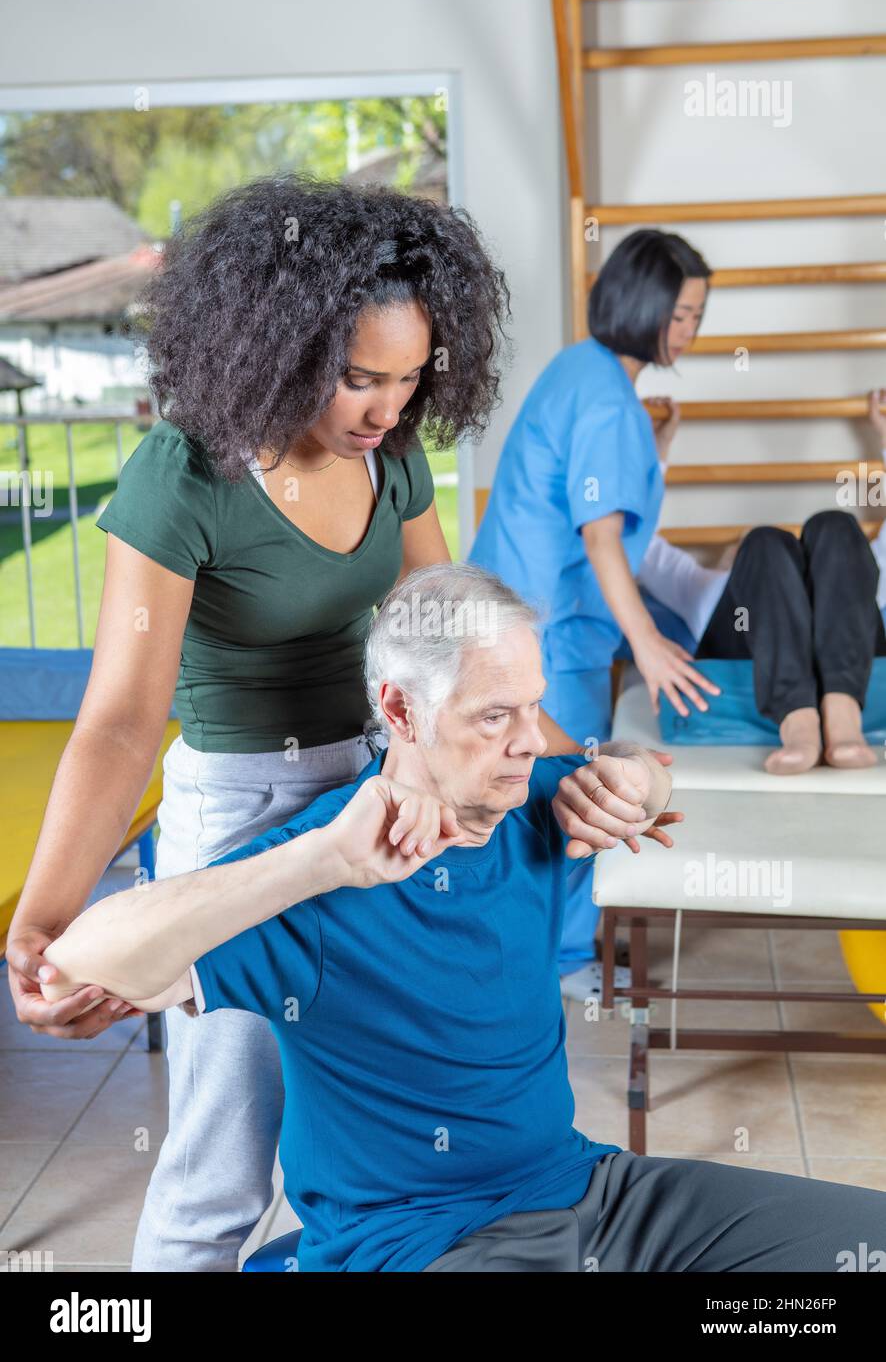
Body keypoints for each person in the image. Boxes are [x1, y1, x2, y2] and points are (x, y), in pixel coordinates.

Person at [7, 176, 668, 1271]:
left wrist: (567, 762)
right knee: (222, 1160)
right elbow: (123, 721)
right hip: (240, 812)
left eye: (410, 382)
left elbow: (454, 646)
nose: (387, 411)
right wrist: (49, 912)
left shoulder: (393, 459)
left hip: (378, 790)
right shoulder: (184, 475)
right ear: (281, 345)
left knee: (377, 1129)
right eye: (361, 379)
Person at [39, 563, 886, 1273]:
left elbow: (643, 768)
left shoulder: (538, 801)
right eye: (494, 716)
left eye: (533, 707)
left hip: (595, 1195)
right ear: (401, 710)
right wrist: (320, 862)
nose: (529, 739)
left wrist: (632, 776)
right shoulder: (310, 873)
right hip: (423, 1244)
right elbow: (79, 964)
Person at [468, 228, 721, 967]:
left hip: (521, 621)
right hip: (549, 631)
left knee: (538, 789)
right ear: (642, 307)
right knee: (577, 789)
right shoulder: (609, 401)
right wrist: (648, 647)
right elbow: (604, 537)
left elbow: (611, 509)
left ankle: (550, 951)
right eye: (680, 315)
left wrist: (658, 447)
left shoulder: (586, 372)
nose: (691, 332)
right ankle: (568, 959)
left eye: (699, 317)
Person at [637, 388, 886, 774]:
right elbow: (640, 548)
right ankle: (797, 719)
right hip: (744, 643)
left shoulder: (850, 577)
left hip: (850, 650)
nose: (788, 562)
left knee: (835, 525)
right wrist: (658, 448)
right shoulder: (705, 585)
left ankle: (842, 711)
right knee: (765, 541)